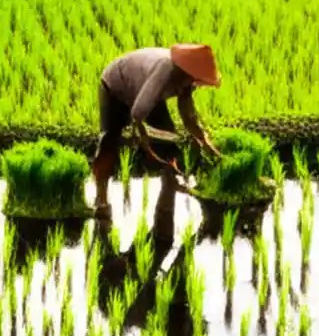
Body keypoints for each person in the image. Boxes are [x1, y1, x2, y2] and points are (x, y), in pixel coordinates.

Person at [91, 44, 221, 218]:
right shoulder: (165, 71)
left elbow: (188, 115)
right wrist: (142, 133)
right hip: (115, 86)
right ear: (187, 71)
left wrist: (204, 141)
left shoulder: (187, 80)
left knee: (168, 142)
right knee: (109, 140)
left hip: (145, 91)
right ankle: (101, 198)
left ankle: (168, 196)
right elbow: (138, 111)